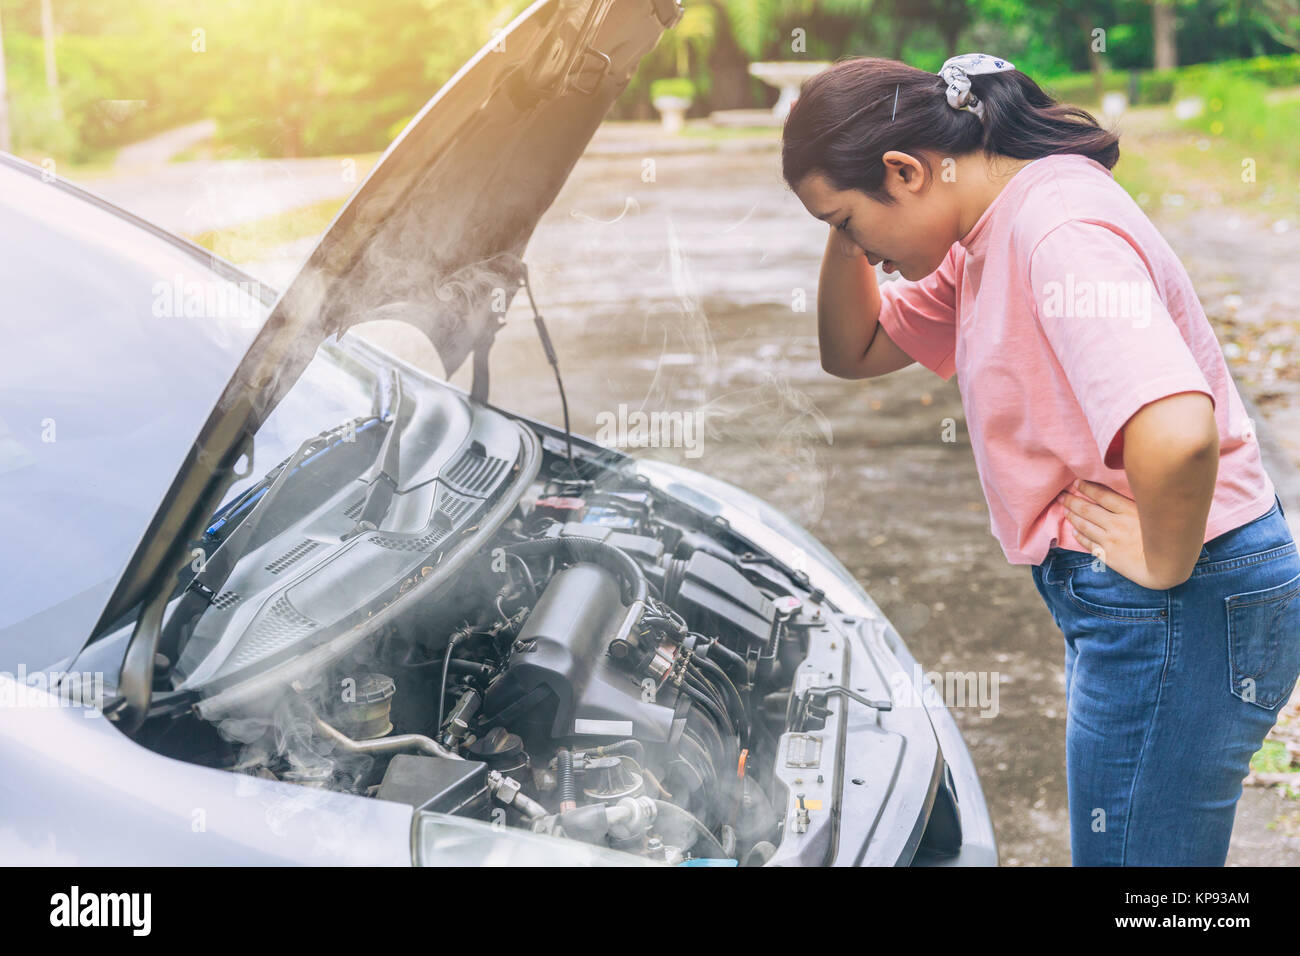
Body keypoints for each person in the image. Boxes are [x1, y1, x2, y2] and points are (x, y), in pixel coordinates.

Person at [781, 53, 1300, 865]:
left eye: (847, 220)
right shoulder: (986, 228)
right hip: (1165, 604)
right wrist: (848, 224)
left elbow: (1179, 428)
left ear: (905, 170)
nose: (856, 247)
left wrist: (1165, 564)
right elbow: (855, 347)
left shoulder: (1055, 233)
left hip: (1183, 600)